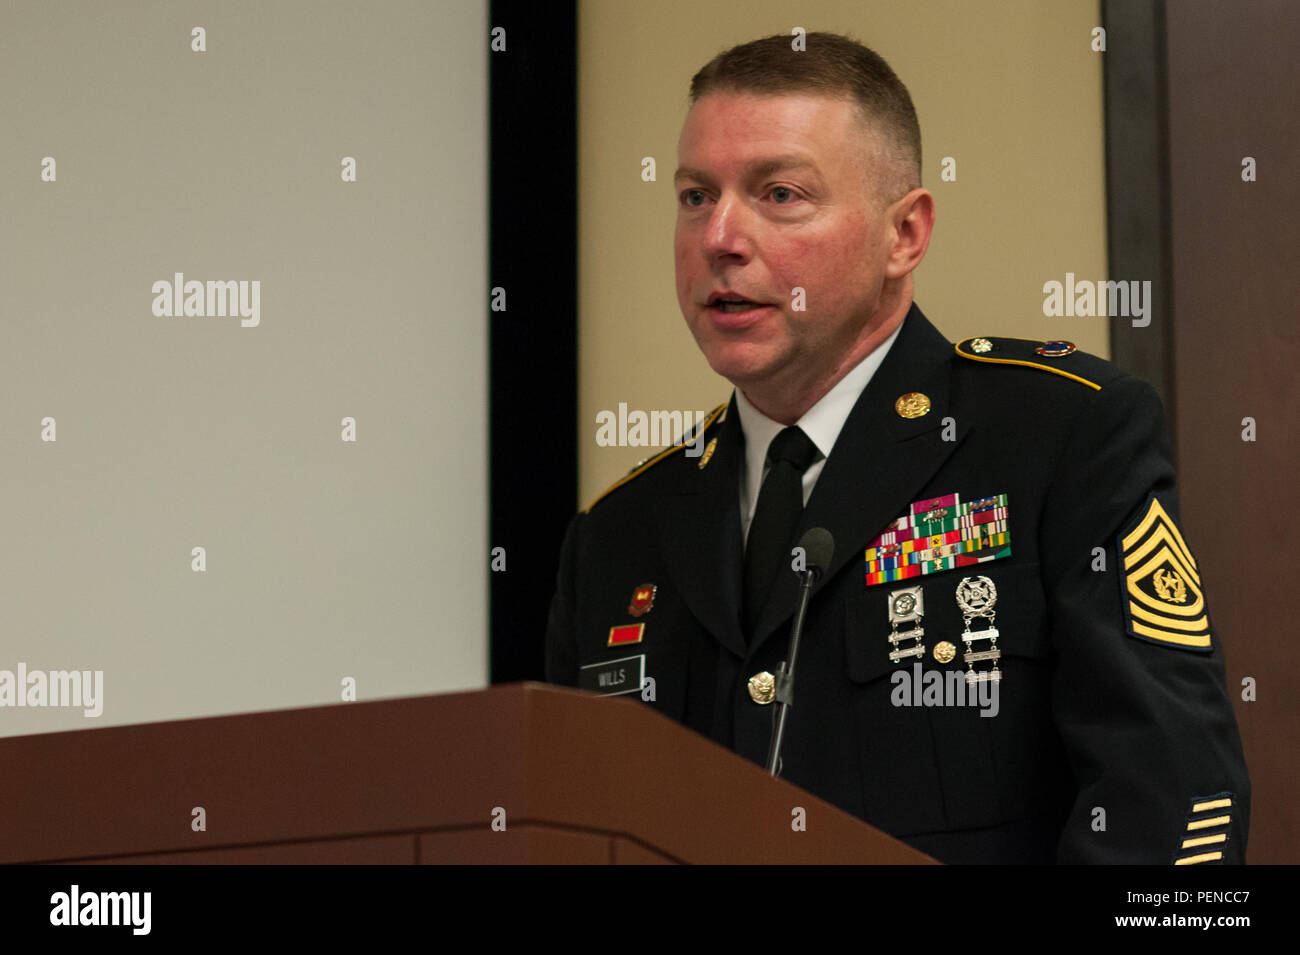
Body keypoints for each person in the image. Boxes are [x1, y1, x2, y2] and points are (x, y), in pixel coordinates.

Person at [545, 32, 1249, 864]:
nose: (720, 238)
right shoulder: (618, 535)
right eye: (697, 196)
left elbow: (1174, 807)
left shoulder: (1056, 441)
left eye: (779, 193)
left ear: (904, 234)